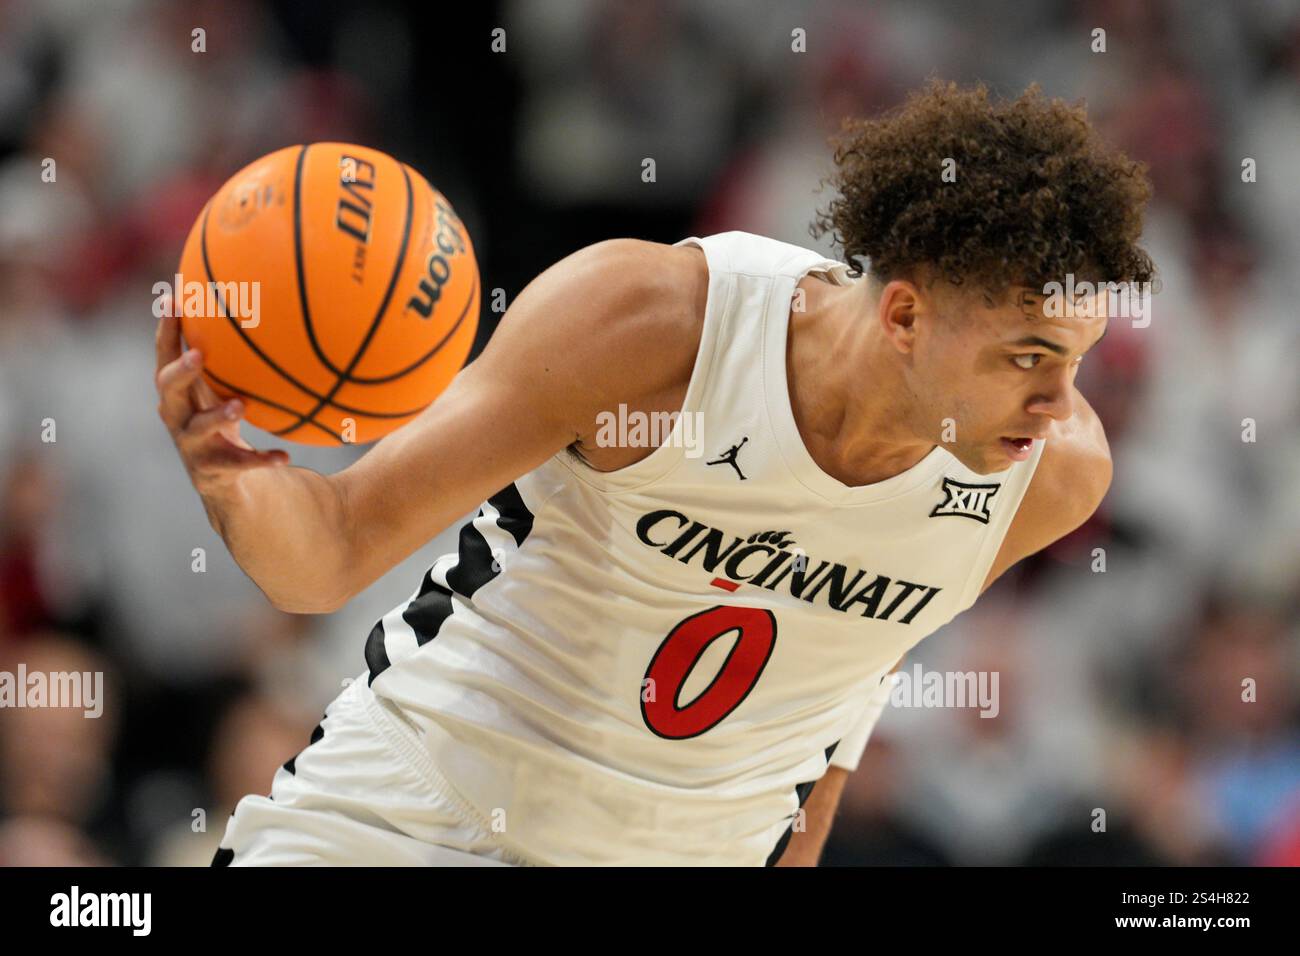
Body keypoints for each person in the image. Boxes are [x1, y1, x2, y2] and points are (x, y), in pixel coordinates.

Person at [154, 80, 1152, 866]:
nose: (1060, 399)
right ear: (902, 318)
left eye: (1077, 357)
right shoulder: (654, 324)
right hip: (420, 812)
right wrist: (235, 475)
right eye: (1027, 354)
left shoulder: (1050, 475)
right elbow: (324, 553)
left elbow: (854, 670)